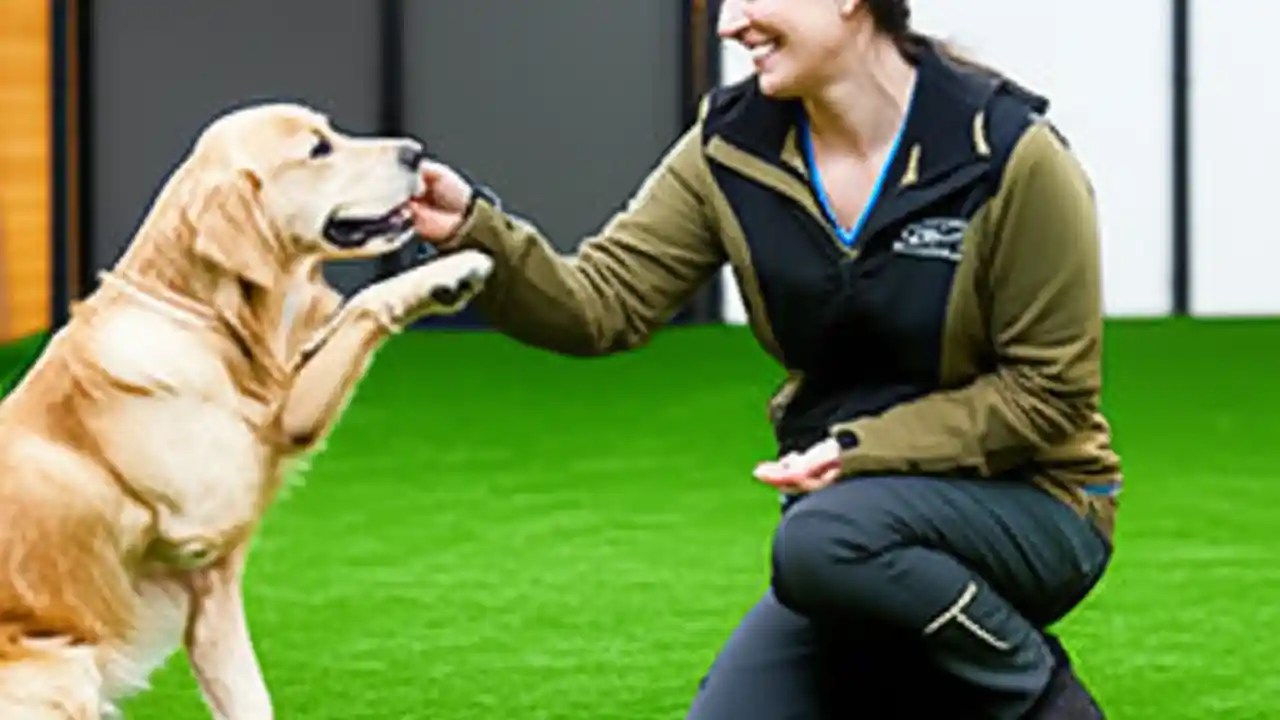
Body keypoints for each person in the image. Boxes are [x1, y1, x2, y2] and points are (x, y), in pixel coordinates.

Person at [407, 0, 1120, 717]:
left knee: (824, 542)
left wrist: (857, 450)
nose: (727, 23)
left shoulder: (1009, 154)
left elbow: (1048, 394)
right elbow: (602, 303)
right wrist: (474, 229)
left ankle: (1041, 701)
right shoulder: (731, 147)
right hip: (847, 535)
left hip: (1038, 507)